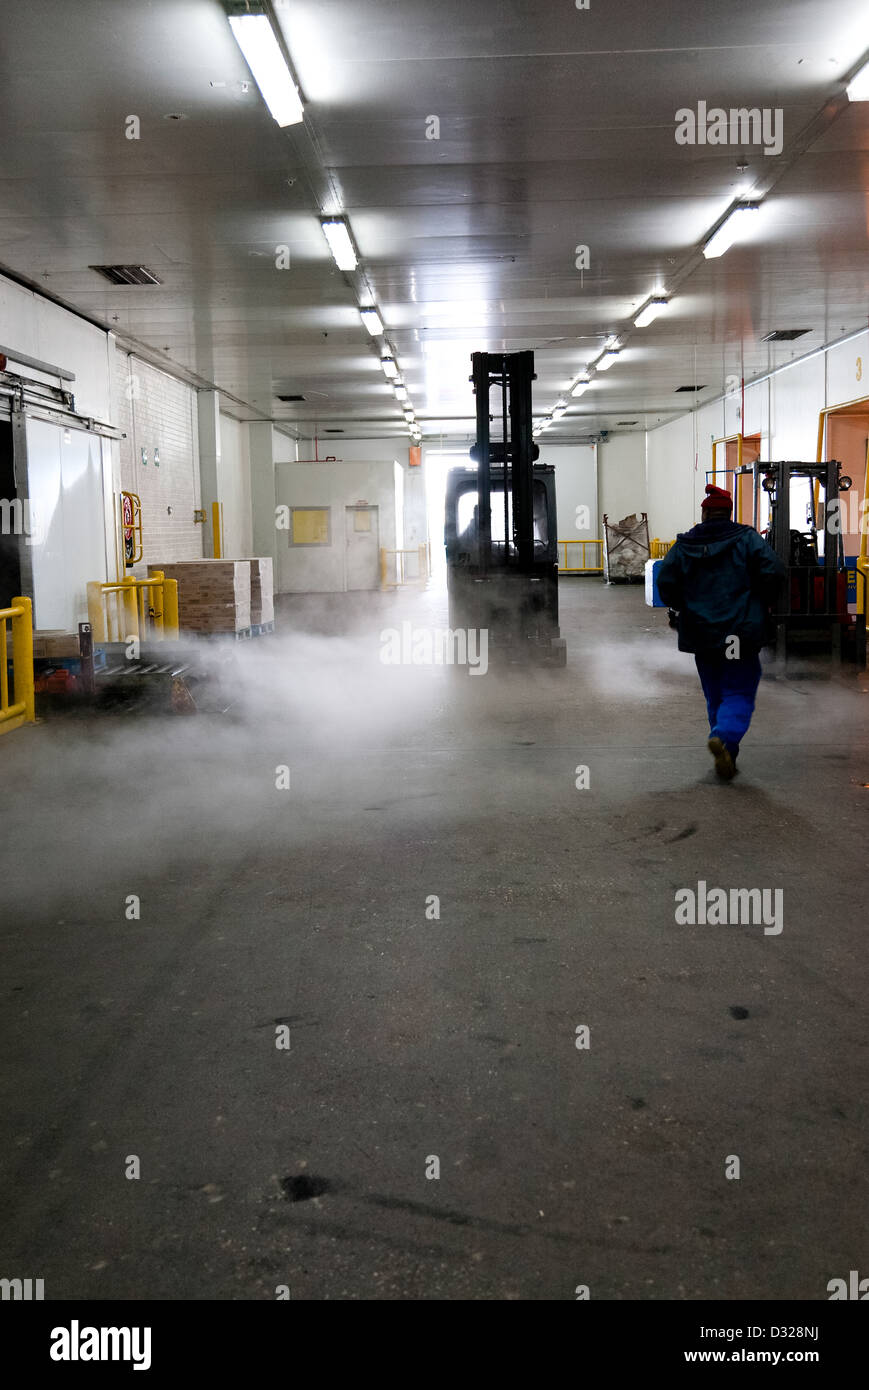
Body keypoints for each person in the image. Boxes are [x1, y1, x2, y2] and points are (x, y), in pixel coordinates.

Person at [656, 483, 786, 780]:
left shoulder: (684, 545)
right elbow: (774, 572)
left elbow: (666, 583)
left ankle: (727, 753)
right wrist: (759, 601)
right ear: (729, 513)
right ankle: (725, 737)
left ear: (704, 513)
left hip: (701, 633)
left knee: (715, 693)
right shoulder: (747, 539)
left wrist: (683, 606)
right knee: (738, 689)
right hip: (737, 634)